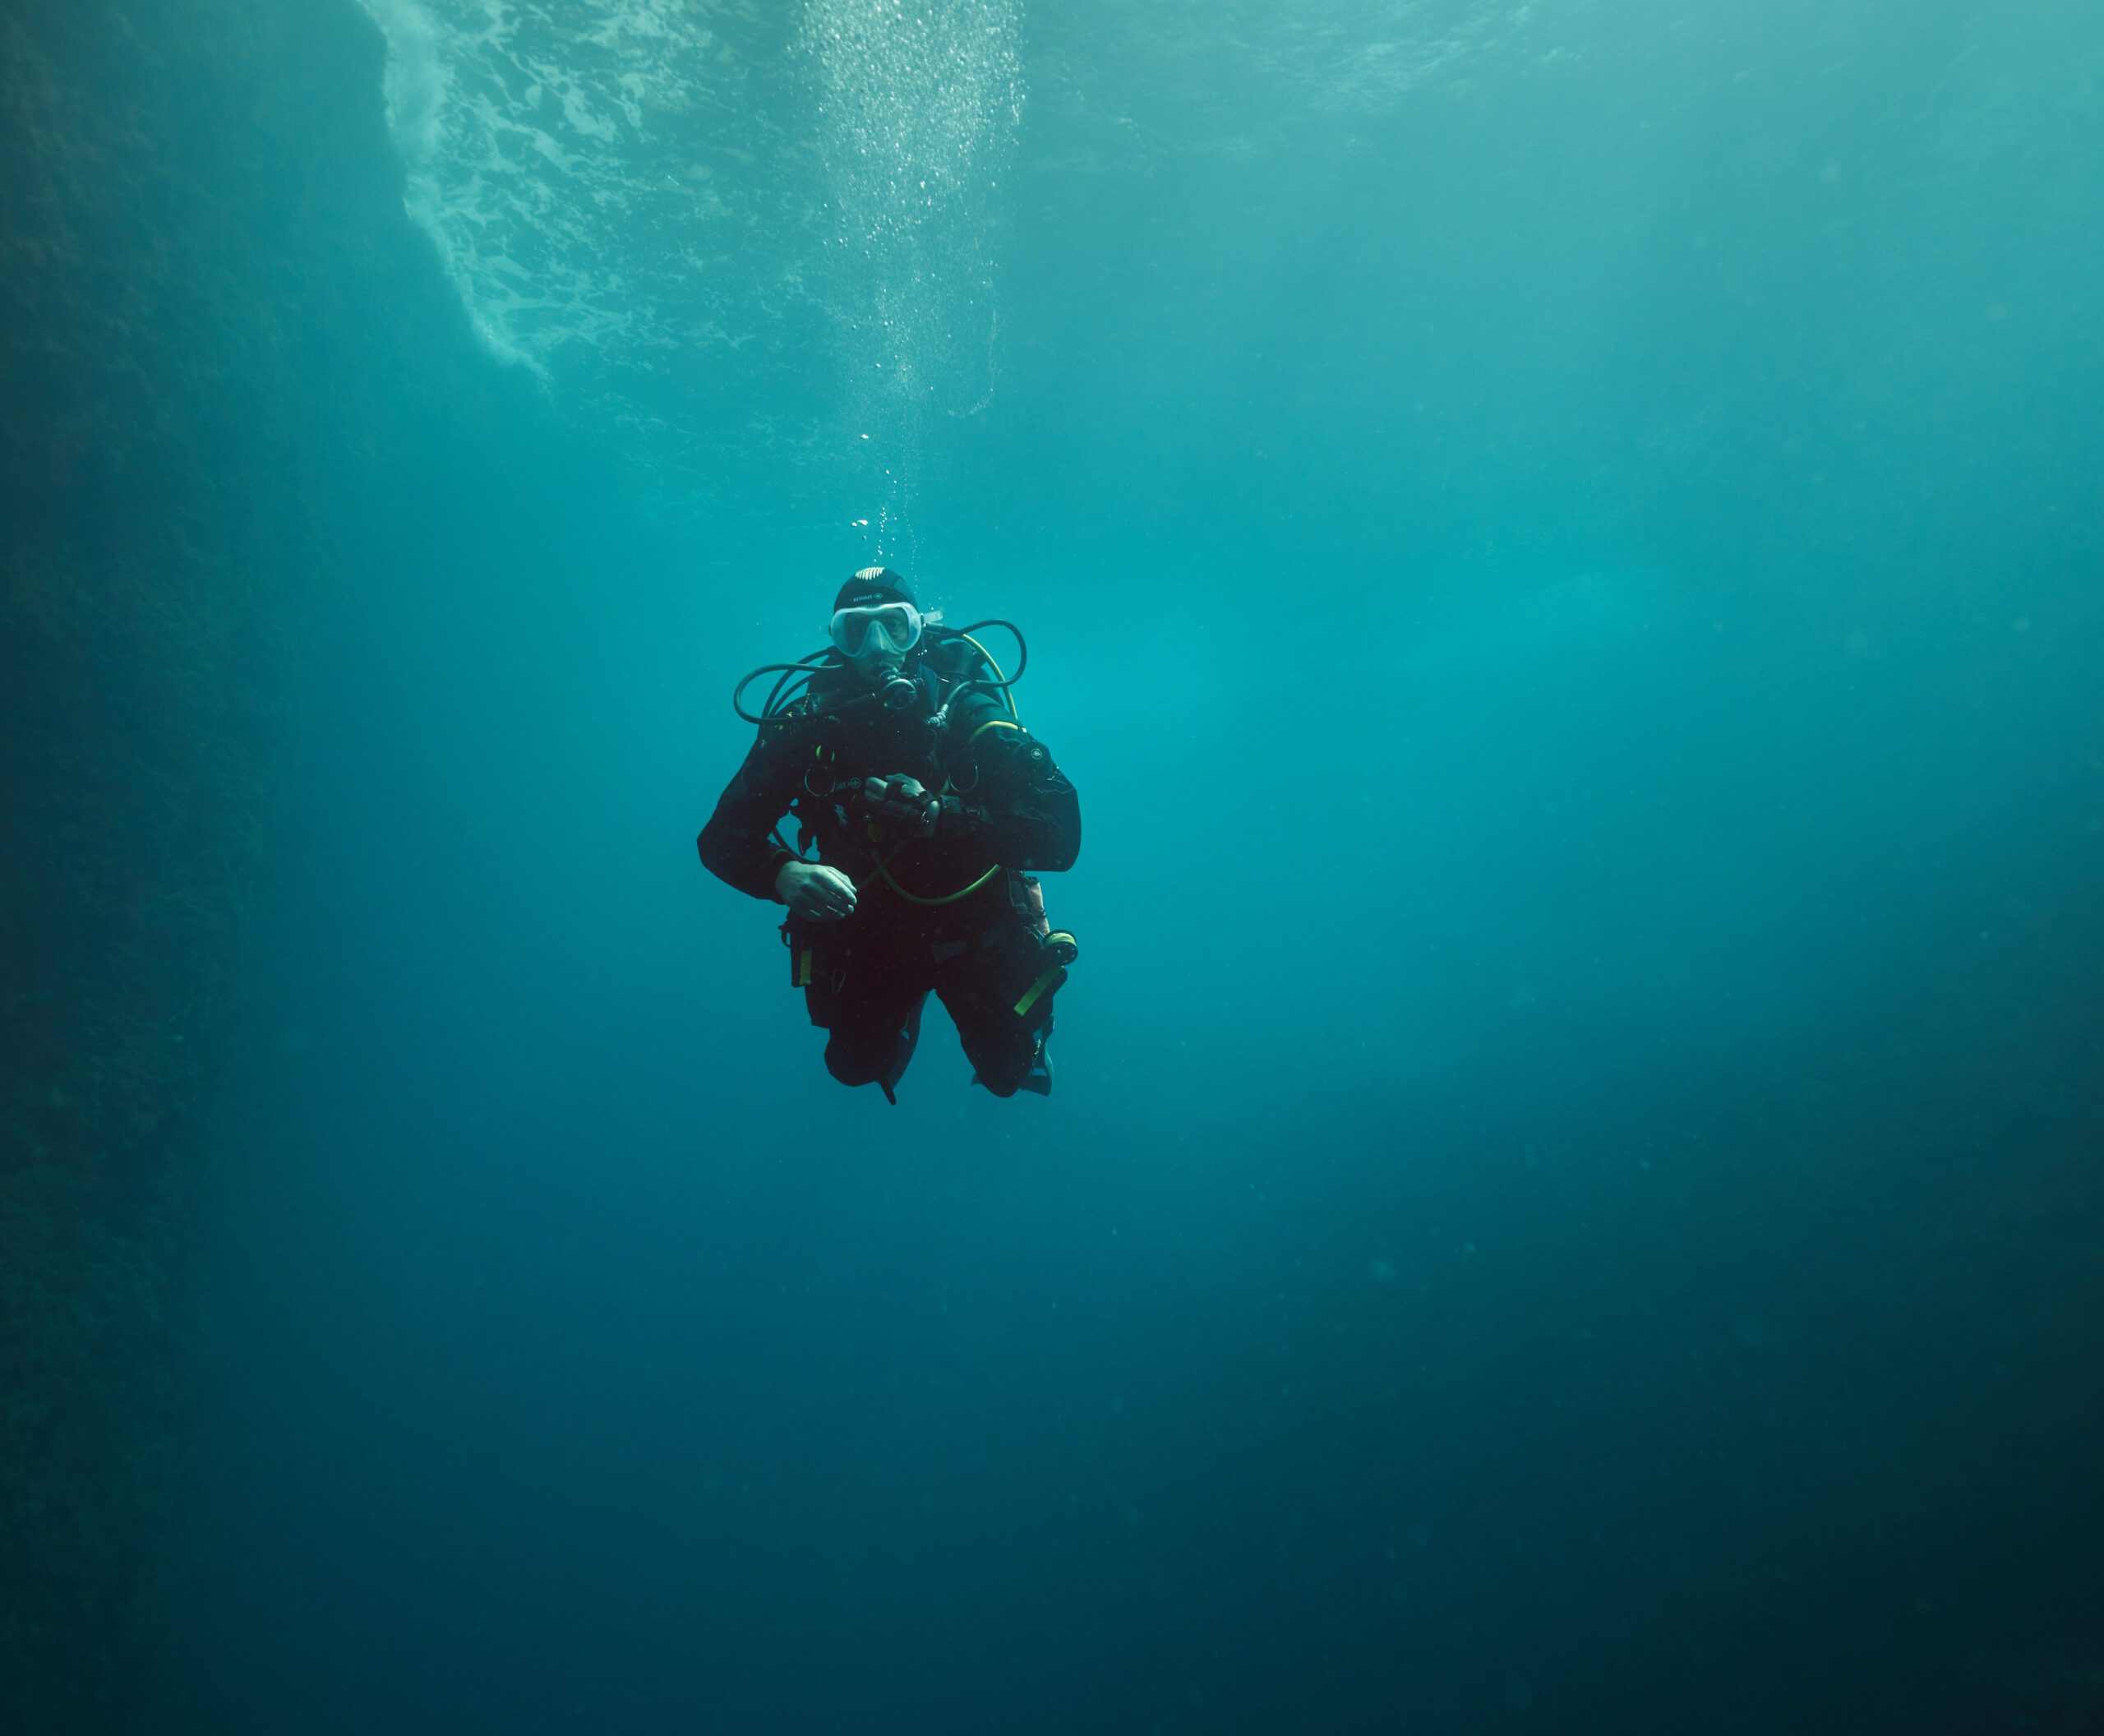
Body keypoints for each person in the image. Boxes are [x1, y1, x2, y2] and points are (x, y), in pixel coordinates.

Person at [699, 568, 1081, 1101]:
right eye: (856, 631)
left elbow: (1061, 837)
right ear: (837, 641)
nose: (878, 647)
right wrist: (783, 874)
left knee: (1008, 1073)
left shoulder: (970, 711)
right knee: (854, 1067)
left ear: (919, 632)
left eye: (893, 627)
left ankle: (1024, 1025)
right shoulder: (808, 726)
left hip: (977, 924)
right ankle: (901, 1015)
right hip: (870, 930)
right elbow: (720, 838)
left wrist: (940, 815)